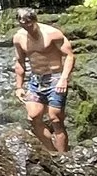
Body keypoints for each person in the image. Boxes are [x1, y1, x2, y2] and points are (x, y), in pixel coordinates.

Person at [11, 8, 77, 153]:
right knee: (33, 117)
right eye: (23, 24)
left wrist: (64, 79)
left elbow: (69, 56)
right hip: (36, 80)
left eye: (29, 23)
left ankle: (62, 157)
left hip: (55, 78)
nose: (26, 26)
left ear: (35, 20)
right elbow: (20, 62)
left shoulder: (52, 34)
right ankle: (52, 152)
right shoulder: (19, 38)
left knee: (56, 120)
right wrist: (19, 86)